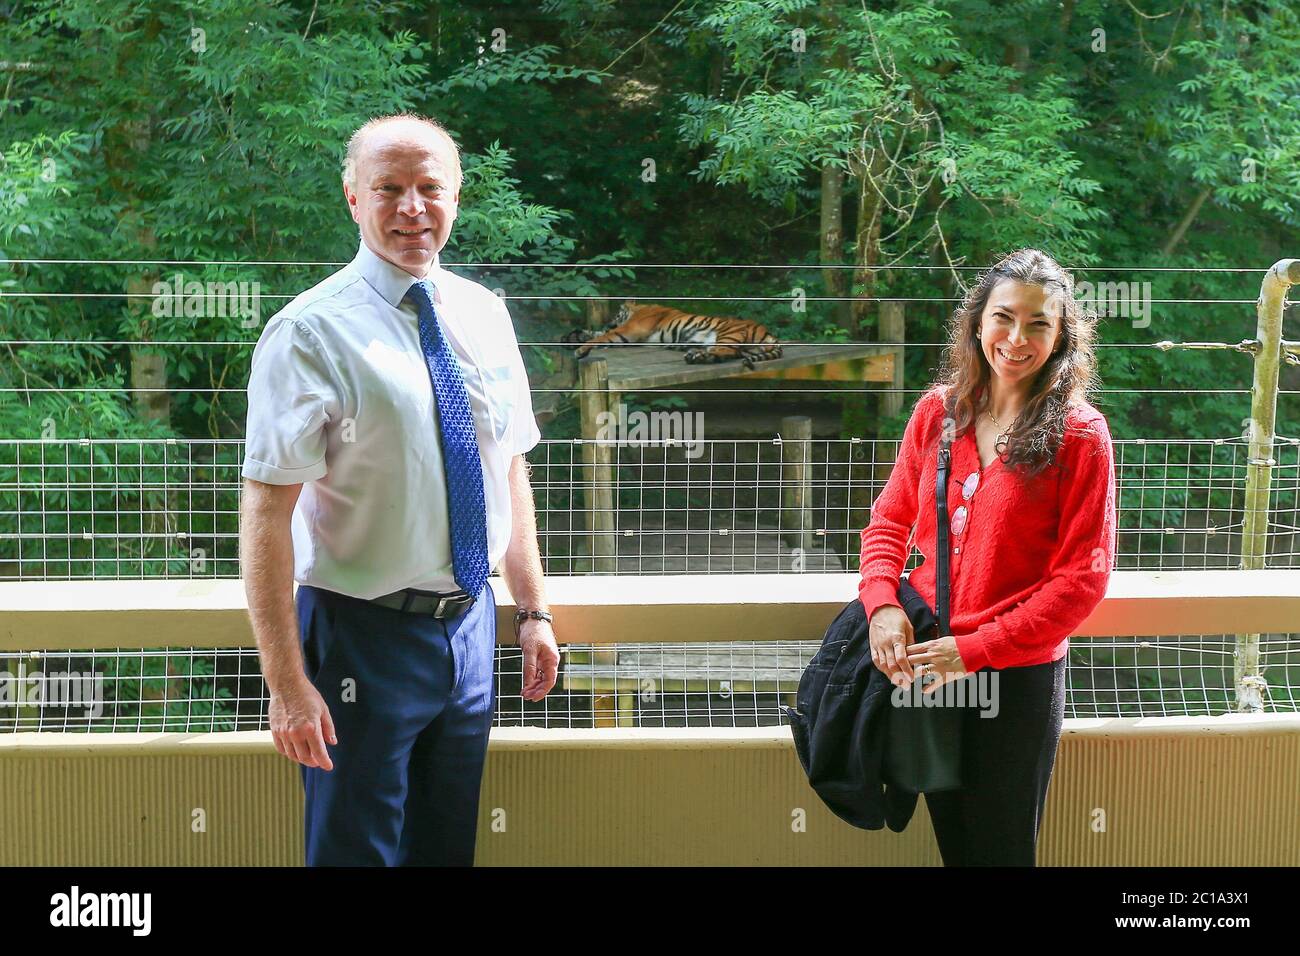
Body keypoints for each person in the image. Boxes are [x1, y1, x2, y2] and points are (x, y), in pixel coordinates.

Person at [239, 113, 560, 867]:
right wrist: (286, 685)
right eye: (388, 188)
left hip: (470, 631)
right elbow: (265, 513)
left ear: (456, 198)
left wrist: (533, 608)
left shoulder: (484, 315)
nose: (411, 207)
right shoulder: (309, 333)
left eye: (429, 188)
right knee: (357, 855)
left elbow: (507, 466)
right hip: (359, 636)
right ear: (353, 197)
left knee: (444, 851)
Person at [858, 248, 1117, 866]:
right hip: (929, 657)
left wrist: (973, 652)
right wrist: (881, 605)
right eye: (1004, 317)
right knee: (954, 846)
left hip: (1015, 674)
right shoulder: (938, 413)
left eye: (1038, 324)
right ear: (977, 322)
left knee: (999, 853)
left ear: (1061, 337)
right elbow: (889, 522)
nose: (1017, 338)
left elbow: (1083, 579)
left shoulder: (1080, 435)